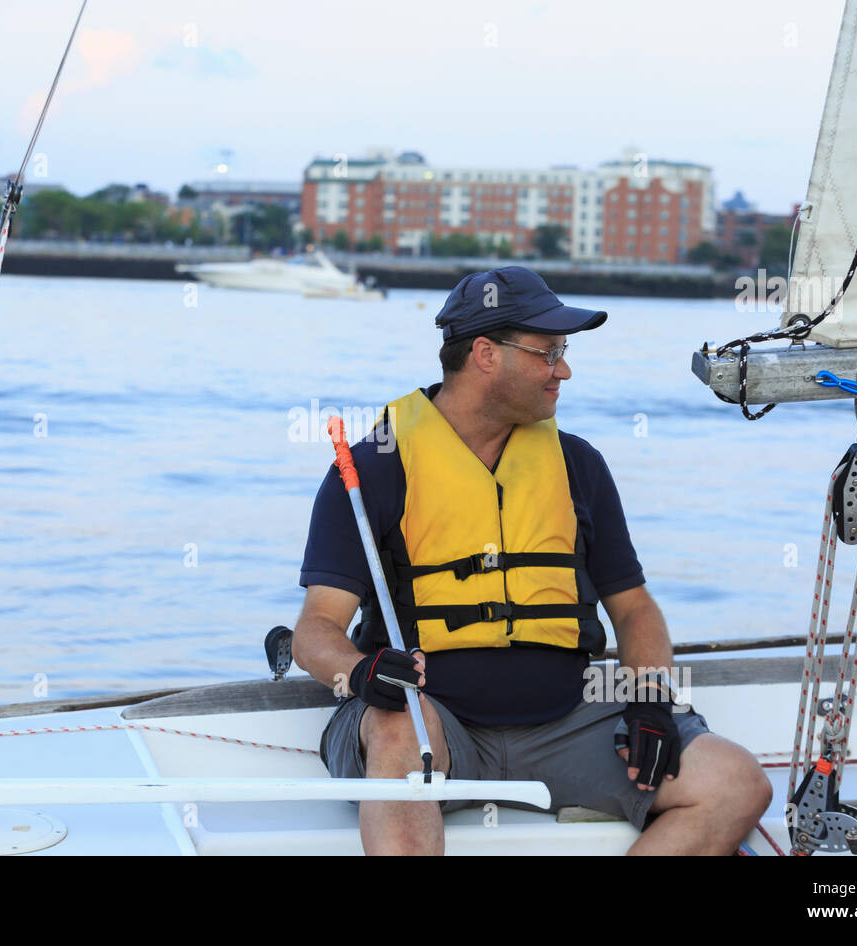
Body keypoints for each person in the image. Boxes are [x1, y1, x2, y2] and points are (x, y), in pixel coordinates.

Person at [292, 265, 772, 855]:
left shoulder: (578, 465)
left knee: (734, 784)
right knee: (396, 722)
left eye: (562, 351)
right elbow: (314, 631)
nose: (564, 369)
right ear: (487, 354)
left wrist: (651, 696)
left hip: (564, 723)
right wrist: (362, 672)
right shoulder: (374, 468)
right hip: (431, 728)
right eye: (549, 353)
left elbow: (634, 608)